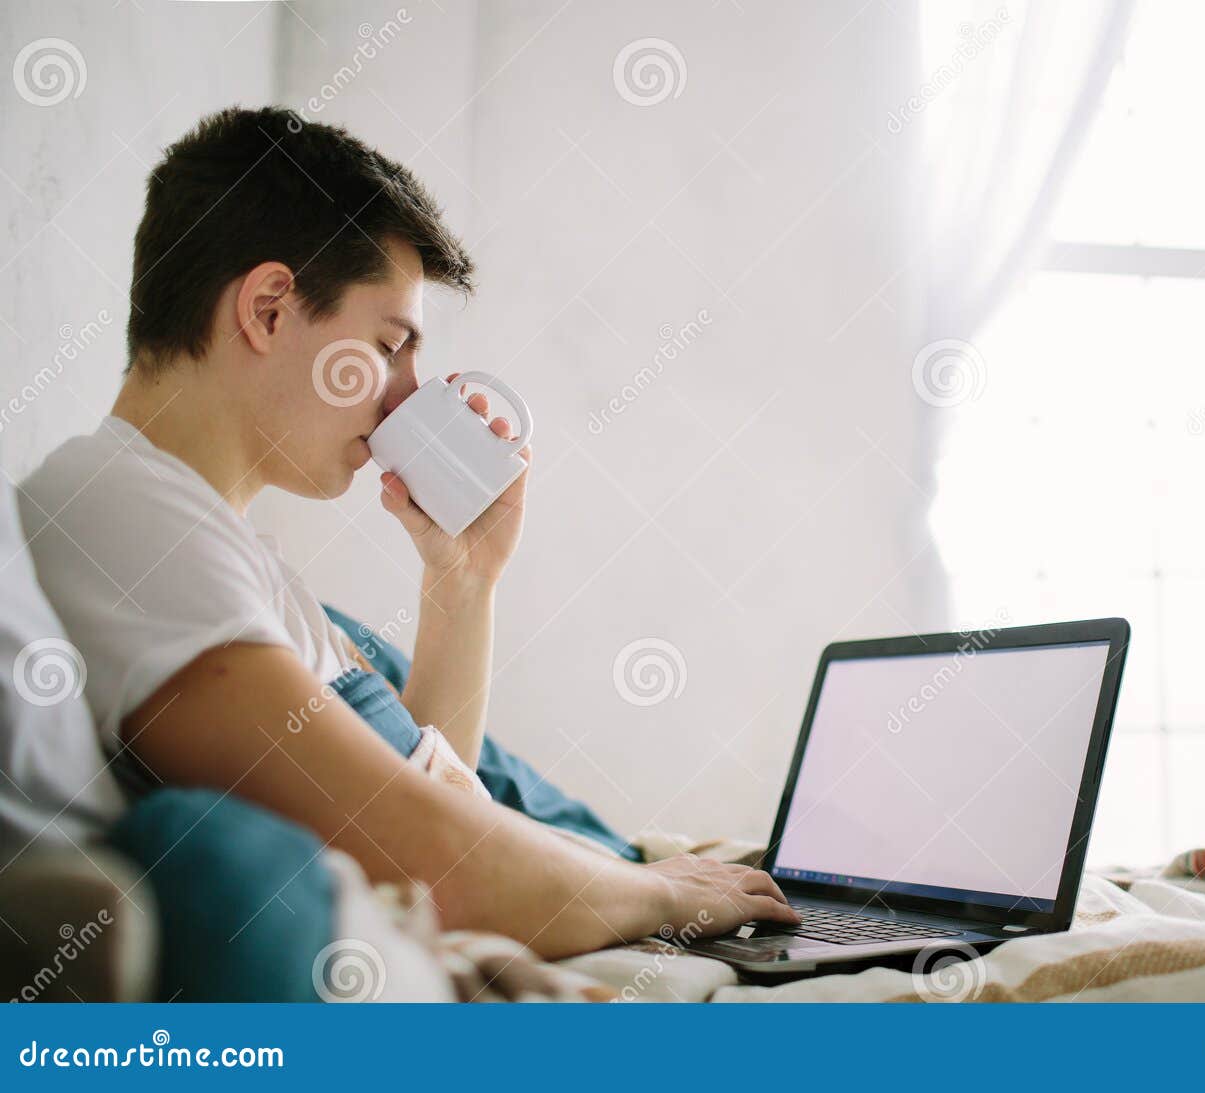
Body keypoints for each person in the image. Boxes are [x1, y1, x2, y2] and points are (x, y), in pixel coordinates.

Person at [17, 106, 798, 961]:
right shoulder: (121, 512)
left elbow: (428, 800)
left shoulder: (212, 539)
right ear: (271, 309)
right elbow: (434, 864)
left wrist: (462, 581)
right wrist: (662, 894)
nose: (405, 397)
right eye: (390, 346)